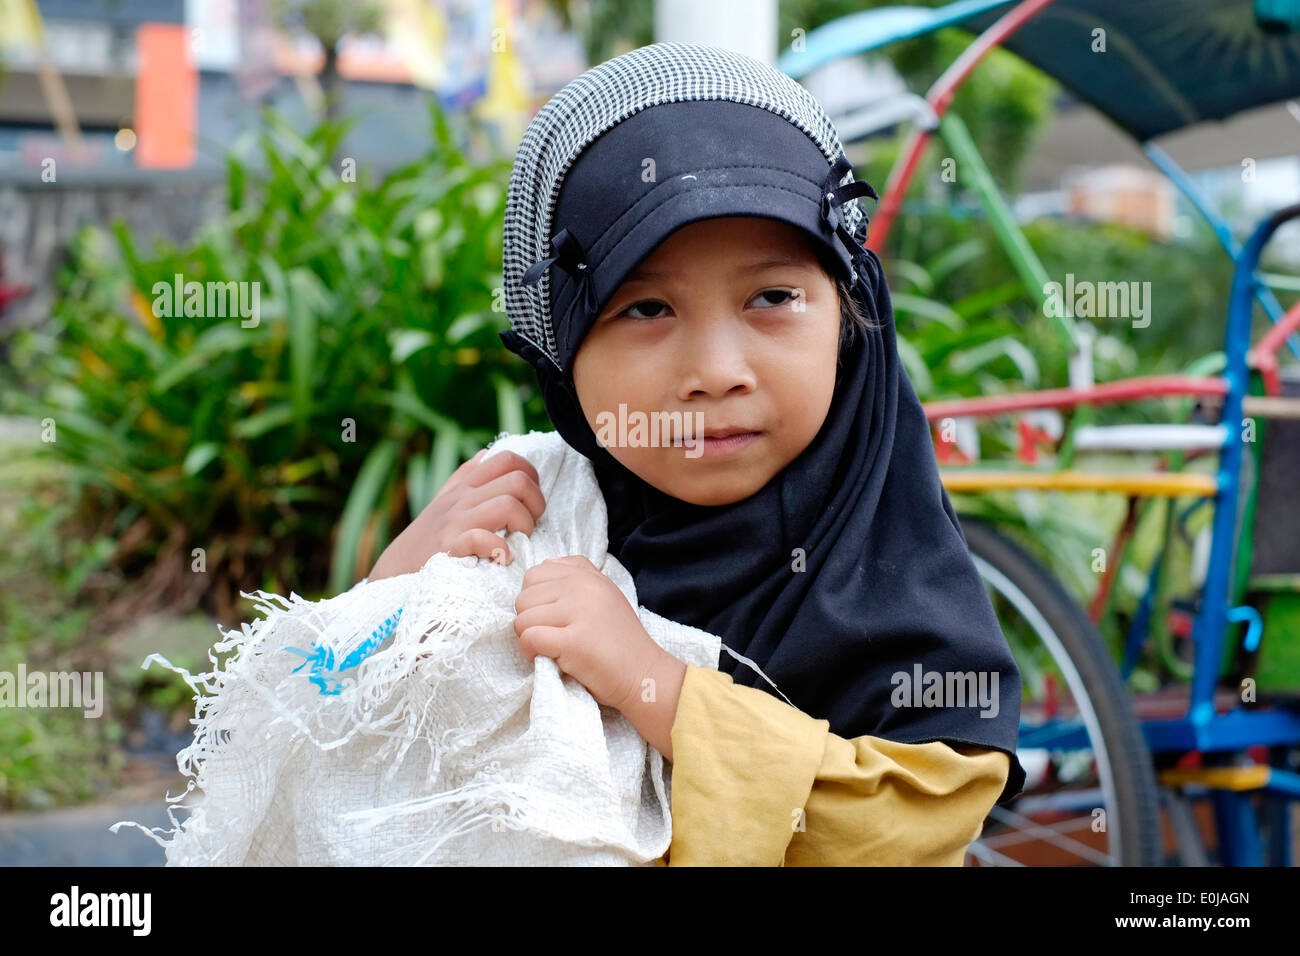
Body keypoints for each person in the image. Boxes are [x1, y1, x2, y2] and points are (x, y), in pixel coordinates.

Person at [368, 41, 1026, 866]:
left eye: (773, 297)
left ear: (849, 314)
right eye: (645, 308)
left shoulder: (881, 553)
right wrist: (393, 595)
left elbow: (923, 813)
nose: (716, 373)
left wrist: (658, 687)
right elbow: (332, 758)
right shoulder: (538, 517)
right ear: (562, 349)